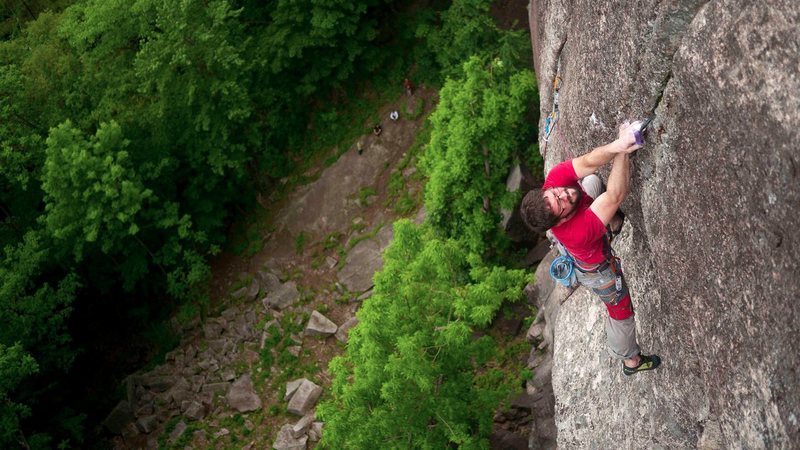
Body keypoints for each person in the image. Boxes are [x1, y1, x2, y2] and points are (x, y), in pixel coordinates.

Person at [520, 121, 661, 376]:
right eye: (560, 203)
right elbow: (616, 194)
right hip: (598, 271)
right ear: (560, 220)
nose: (563, 194)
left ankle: (613, 221)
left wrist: (619, 142)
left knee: (592, 179)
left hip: (590, 223)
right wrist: (623, 151)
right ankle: (630, 360)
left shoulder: (554, 185)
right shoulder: (576, 232)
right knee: (620, 310)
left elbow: (588, 162)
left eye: (556, 193)